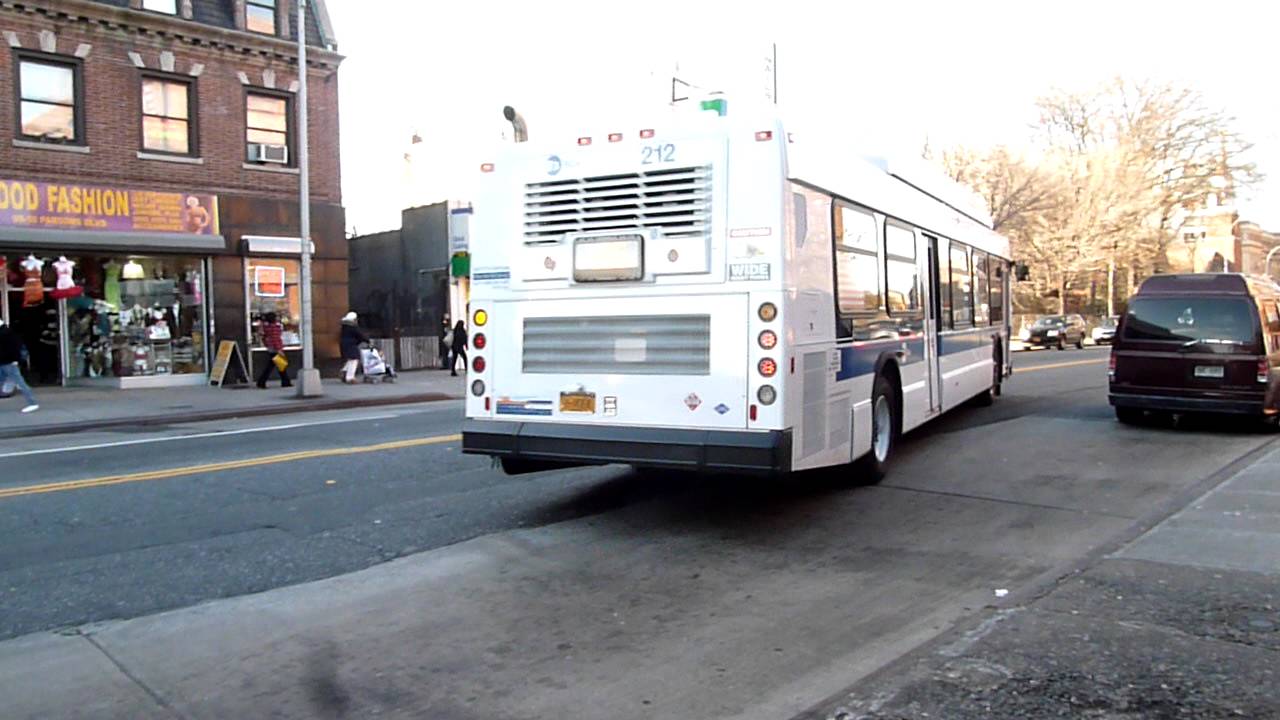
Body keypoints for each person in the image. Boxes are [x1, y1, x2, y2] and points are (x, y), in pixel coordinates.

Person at [0, 320, 38, 413]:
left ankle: (32, 403)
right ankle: (32, 402)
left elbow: (14, 347)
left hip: (7, 362)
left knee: (20, 382)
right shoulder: (7, 332)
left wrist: (15, 359)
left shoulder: (7, 333)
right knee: (19, 382)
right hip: (6, 362)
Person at [255, 312, 292, 389]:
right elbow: (276, 339)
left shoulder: (266, 327)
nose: (278, 318)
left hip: (271, 348)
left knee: (279, 365)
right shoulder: (275, 327)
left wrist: (267, 344)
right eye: (276, 317)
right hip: (276, 348)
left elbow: (264, 337)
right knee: (277, 365)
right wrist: (279, 349)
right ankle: (262, 382)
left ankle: (285, 381)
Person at [339, 311, 369, 384]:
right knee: (354, 359)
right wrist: (367, 340)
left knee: (351, 359)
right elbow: (360, 335)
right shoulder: (353, 327)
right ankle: (350, 377)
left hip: (344, 344)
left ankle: (344, 371)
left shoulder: (345, 326)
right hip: (351, 345)